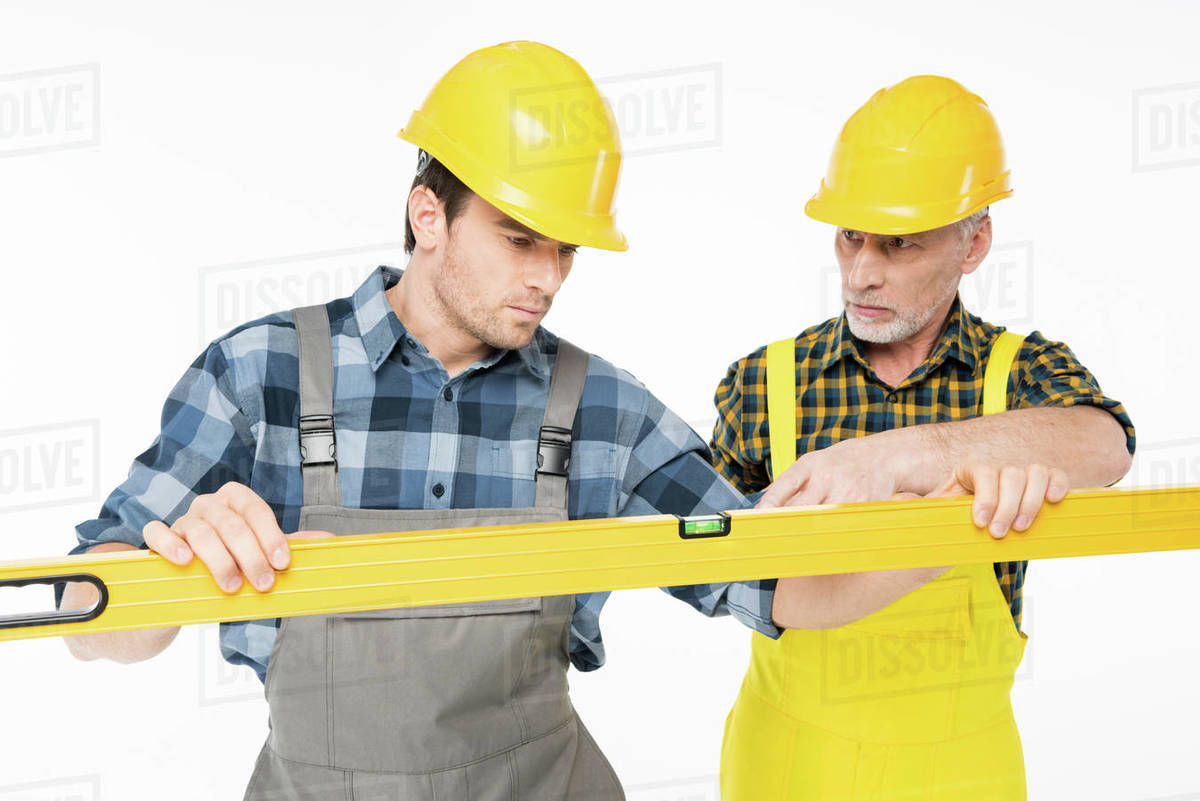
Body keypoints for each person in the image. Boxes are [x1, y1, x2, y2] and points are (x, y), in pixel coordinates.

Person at [54, 41, 782, 801]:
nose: (549, 277)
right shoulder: (259, 374)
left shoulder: (601, 409)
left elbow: (770, 580)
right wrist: (171, 568)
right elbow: (88, 615)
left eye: (565, 248)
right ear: (428, 215)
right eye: (519, 237)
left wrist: (915, 460)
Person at [713, 75, 1136, 800]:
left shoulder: (1021, 373)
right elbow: (712, 567)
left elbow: (1106, 444)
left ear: (975, 243)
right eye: (851, 235)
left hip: (964, 776)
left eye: (900, 242)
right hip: (785, 768)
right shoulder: (763, 383)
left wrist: (904, 456)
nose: (861, 273)